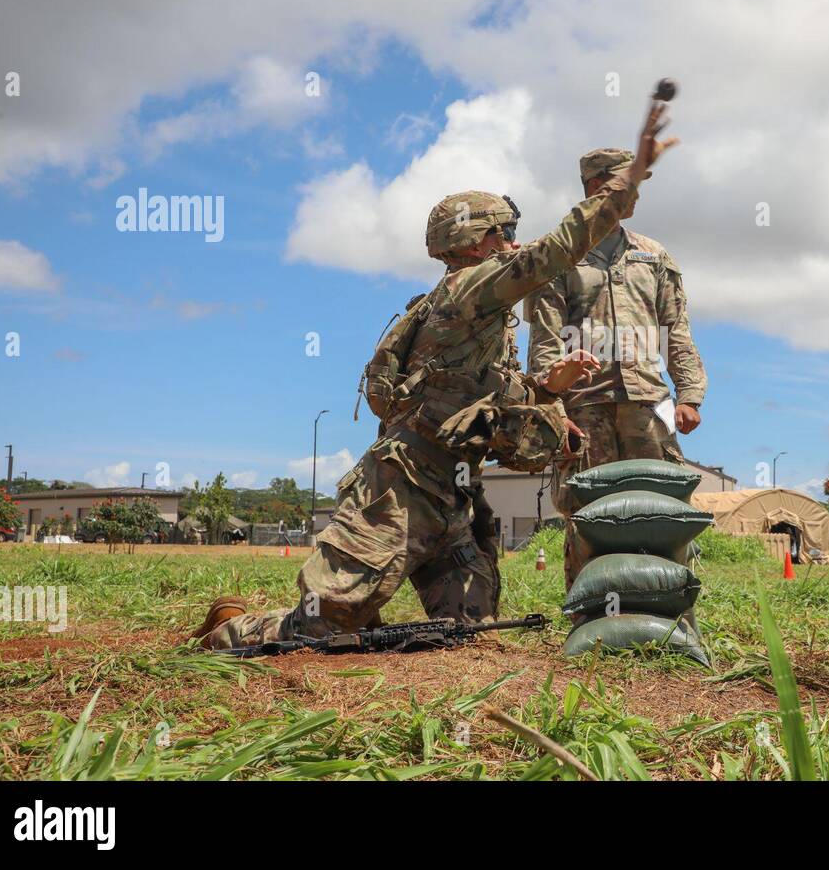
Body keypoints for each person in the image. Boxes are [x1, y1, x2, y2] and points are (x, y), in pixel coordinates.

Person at [193, 100, 678, 649]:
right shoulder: (466, 289)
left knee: (462, 634)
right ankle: (231, 628)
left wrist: (550, 388)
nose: (512, 243)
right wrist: (625, 183)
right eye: (503, 232)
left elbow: (485, 399)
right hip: (400, 492)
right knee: (317, 631)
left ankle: (363, 619)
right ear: (474, 242)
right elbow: (555, 253)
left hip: (454, 495)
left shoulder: (483, 322)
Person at [524, 148, 707, 589]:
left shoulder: (654, 256)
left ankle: (668, 604)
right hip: (583, 407)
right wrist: (554, 408)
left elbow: (676, 330)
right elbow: (545, 344)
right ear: (597, 189)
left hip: (649, 402)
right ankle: (591, 612)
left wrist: (689, 395)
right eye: (629, 187)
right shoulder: (557, 257)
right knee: (586, 509)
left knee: (664, 505)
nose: (636, 198)